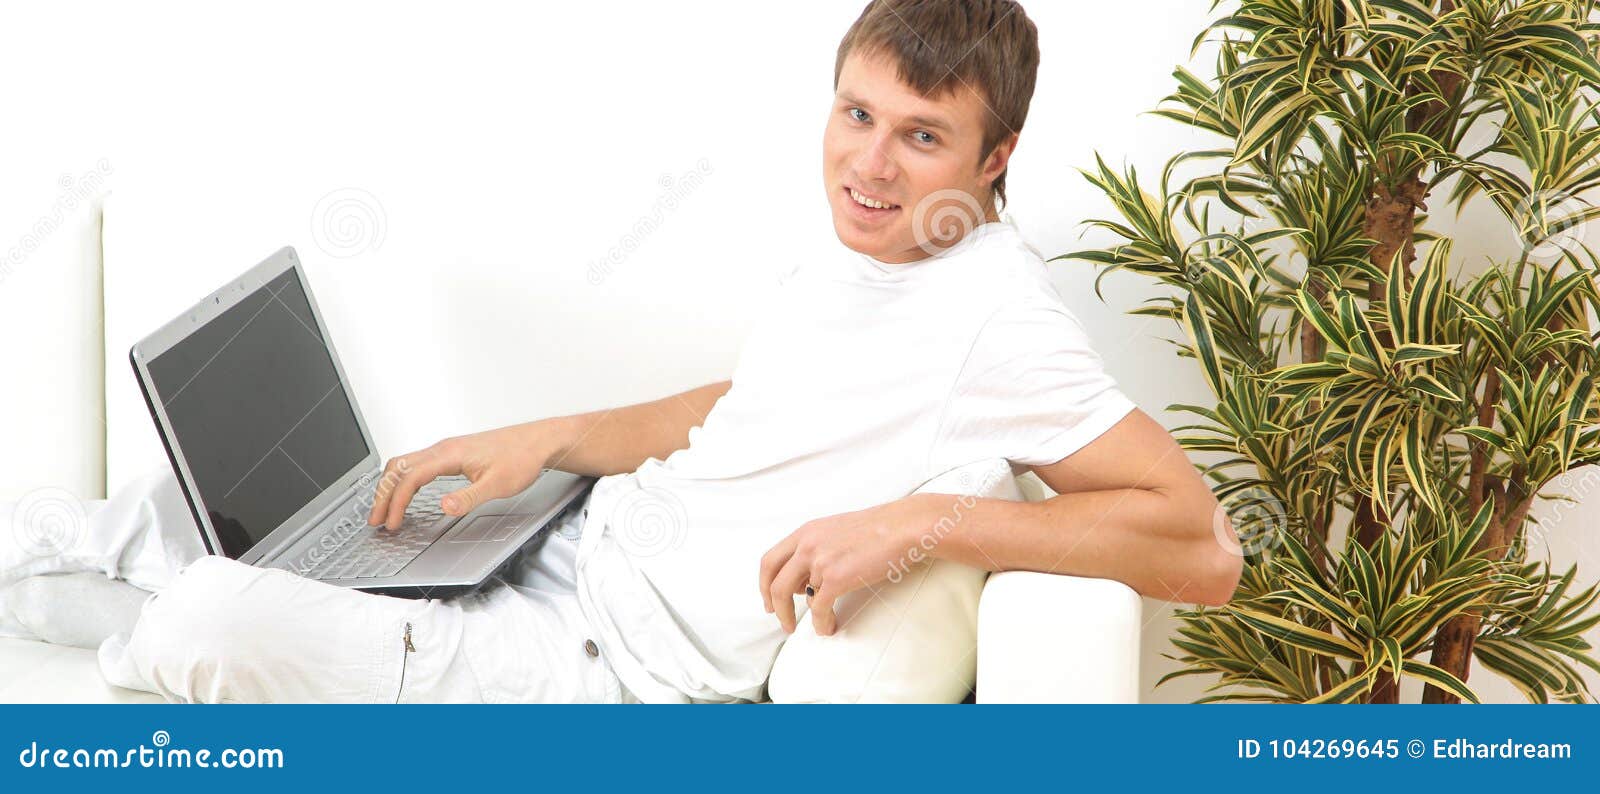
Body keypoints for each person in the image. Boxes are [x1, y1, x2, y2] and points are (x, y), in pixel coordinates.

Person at [0, 0, 1240, 703]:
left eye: (921, 137)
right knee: (213, 503)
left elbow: (1201, 545)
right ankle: (92, 578)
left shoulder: (996, 313)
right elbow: (755, 400)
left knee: (207, 611)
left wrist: (928, 519)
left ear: (995, 157)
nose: (867, 165)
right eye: (856, 114)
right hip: (566, 546)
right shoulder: (868, 245)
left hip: (588, 671)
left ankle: (139, 617)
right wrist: (547, 438)